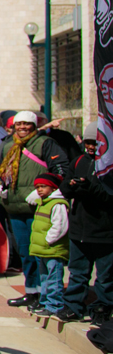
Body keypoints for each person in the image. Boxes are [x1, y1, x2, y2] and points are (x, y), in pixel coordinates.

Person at [0, 110, 69, 309]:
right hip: (14, 207)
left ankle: (45, 295)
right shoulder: (8, 145)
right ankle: (31, 292)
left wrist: (44, 191)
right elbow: (0, 169)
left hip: (38, 207)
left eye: (27, 124)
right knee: (25, 252)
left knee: (41, 253)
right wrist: (2, 184)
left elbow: (61, 169)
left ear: (34, 126)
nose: (22, 128)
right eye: (19, 124)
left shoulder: (45, 143)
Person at [60, 121, 113, 324]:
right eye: (89, 142)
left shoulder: (109, 165)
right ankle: (73, 306)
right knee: (78, 272)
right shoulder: (79, 161)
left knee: (106, 276)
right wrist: (72, 186)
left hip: (105, 231)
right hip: (79, 230)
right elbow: (65, 188)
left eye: (96, 143)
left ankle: (103, 307)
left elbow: (110, 196)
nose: (91, 147)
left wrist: (90, 187)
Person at [26, 173, 70, 318]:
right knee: (45, 278)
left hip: (53, 250)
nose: (39, 190)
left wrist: (48, 240)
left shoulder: (57, 204)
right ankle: (45, 303)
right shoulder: (42, 203)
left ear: (53, 188)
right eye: (37, 187)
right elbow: (29, 198)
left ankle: (54, 305)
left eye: (43, 186)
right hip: (44, 250)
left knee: (54, 279)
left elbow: (60, 226)